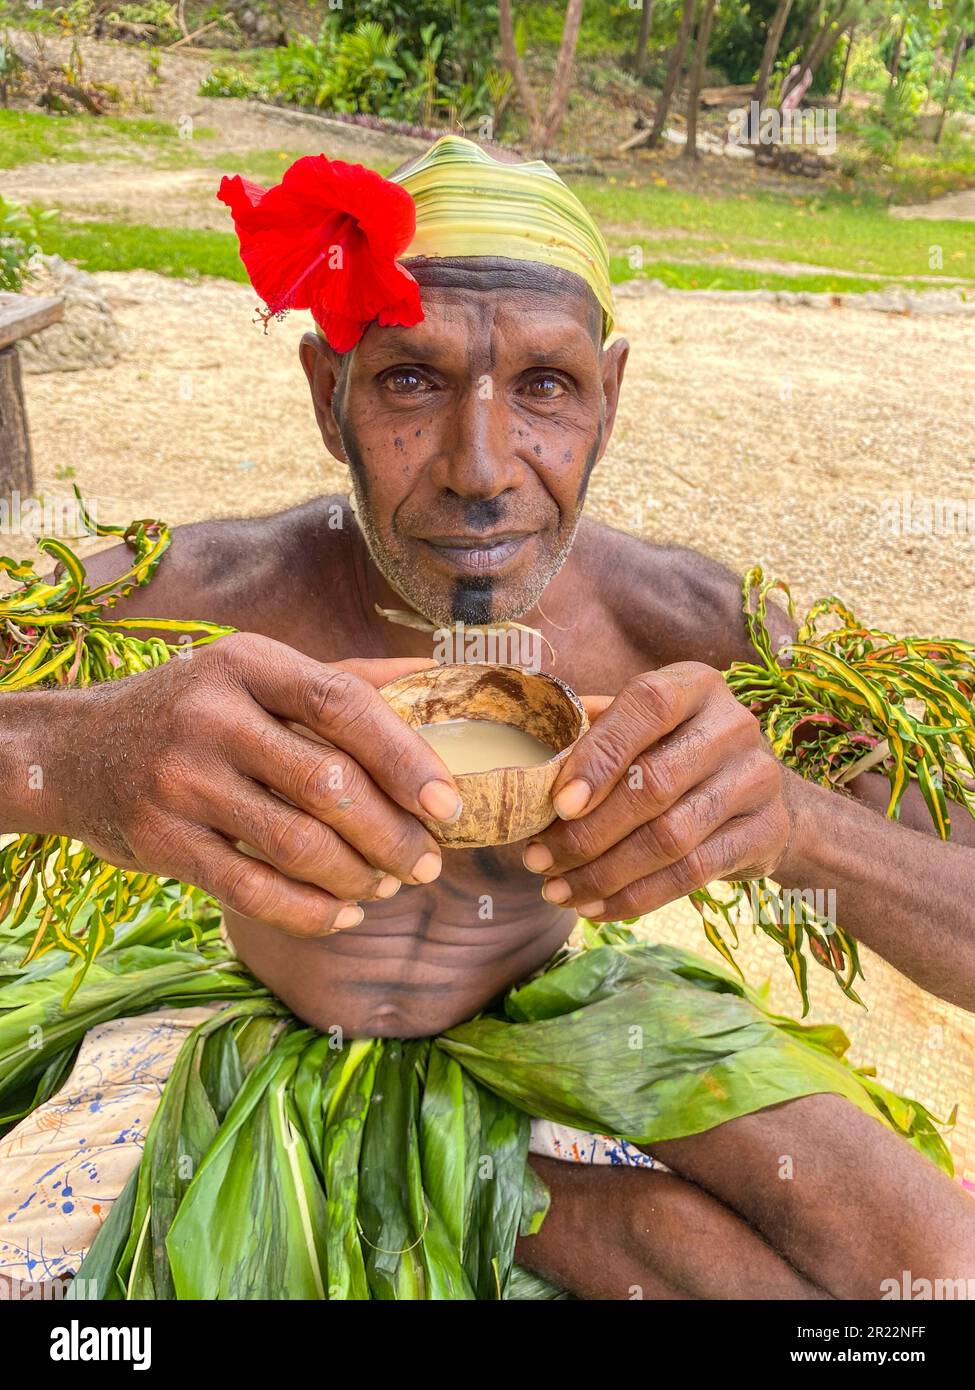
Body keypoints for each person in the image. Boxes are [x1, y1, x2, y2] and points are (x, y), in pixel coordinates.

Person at [1, 137, 973, 1300]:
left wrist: (794, 824)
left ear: (609, 399)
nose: (481, 469)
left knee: (939, 1271)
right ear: (328, 393)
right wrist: (71, 754)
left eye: (545, 386)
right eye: (411, 380)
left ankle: (507, 1193)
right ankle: (498, 1196)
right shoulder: (197, 599)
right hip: (251, 1021)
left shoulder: (688, 625)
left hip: (562, 1026)